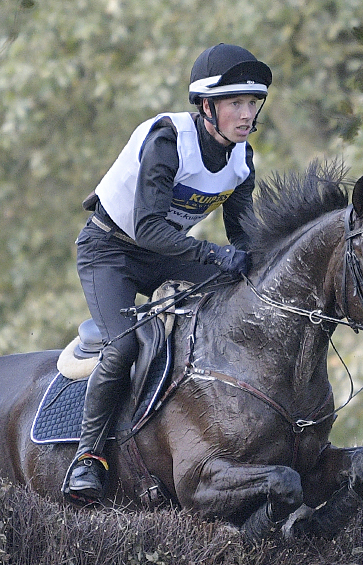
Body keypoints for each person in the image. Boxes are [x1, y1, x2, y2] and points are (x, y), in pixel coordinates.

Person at [62, 43, 271, 502]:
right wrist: (215, 256)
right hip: (111, 250)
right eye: (236, 103)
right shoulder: (167, 139)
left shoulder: (241, 159)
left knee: (237, 299)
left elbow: (243, 236)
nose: (246, 114)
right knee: (122, 348)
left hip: (166, 254)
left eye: (252, 104)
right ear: (207, 106)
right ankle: (87, 457)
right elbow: (148, 227)